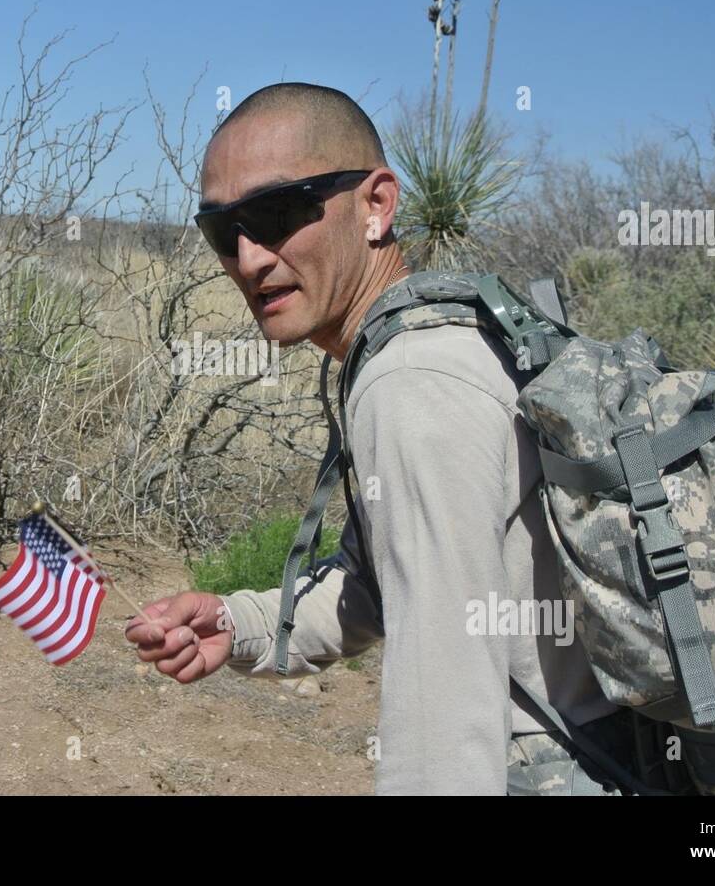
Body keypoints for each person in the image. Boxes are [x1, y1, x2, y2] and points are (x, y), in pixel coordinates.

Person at [124, 82, 643, 795]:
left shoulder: (413, 380)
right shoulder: (442, 335)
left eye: (276, 214)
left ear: (377, 205)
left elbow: (443, 706)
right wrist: (235, 621)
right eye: (223, 232)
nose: (249, 260)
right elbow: (378, 585)